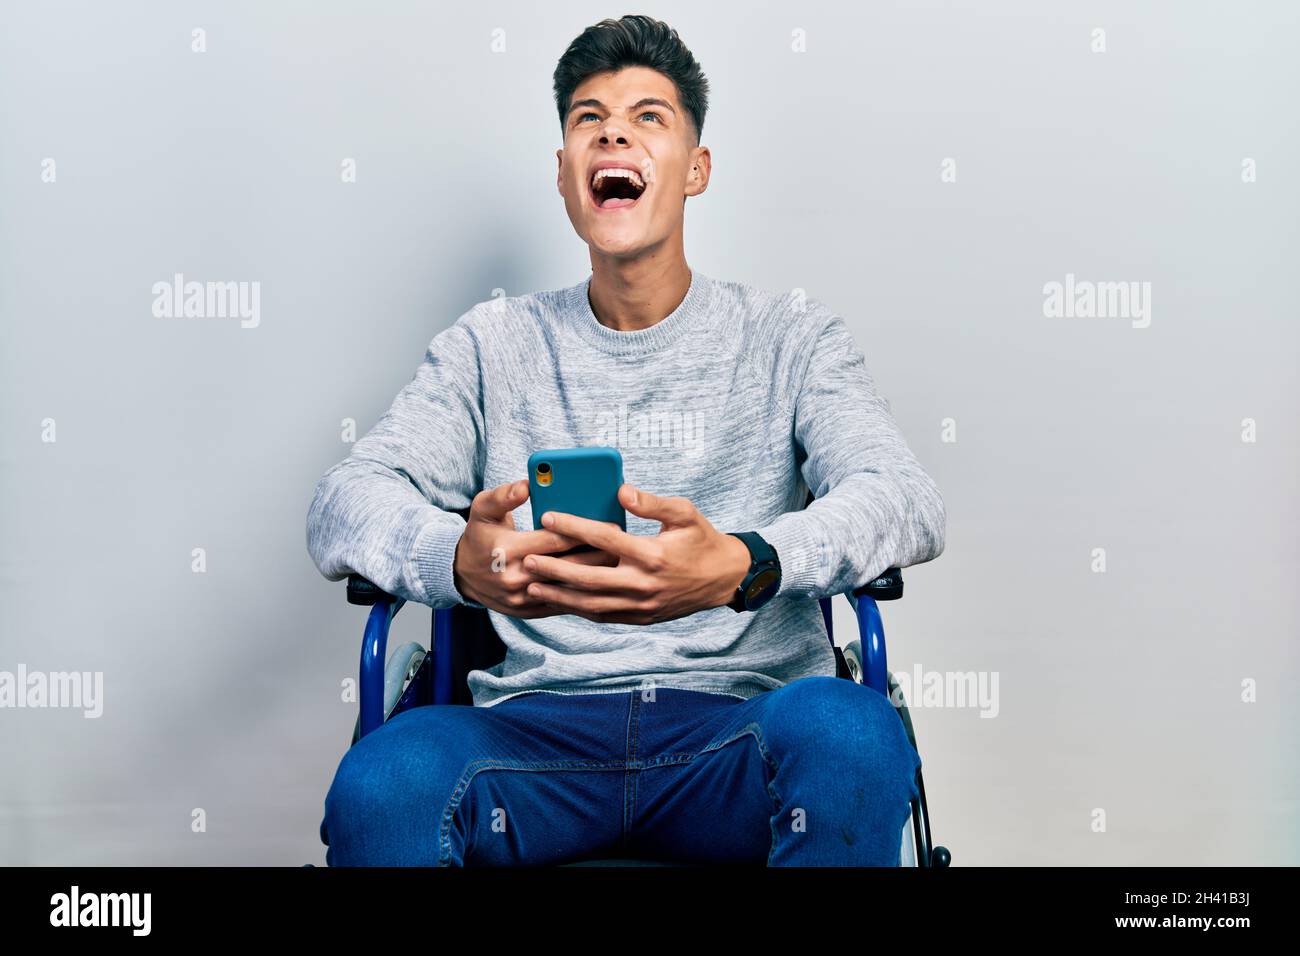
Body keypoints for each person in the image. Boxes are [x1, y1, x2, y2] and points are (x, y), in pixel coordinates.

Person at [307, 14, 945, 866]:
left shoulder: (791, 338)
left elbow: (903, 498)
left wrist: (745, 564)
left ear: (696, 170)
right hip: (535, 742)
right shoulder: (492, 346)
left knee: (848, 736)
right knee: (383, 787)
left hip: (739, 730)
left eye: (650, 116)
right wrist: (455, 558)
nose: (613, 129)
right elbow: (342, 504)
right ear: (567, 176)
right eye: (587, 118)